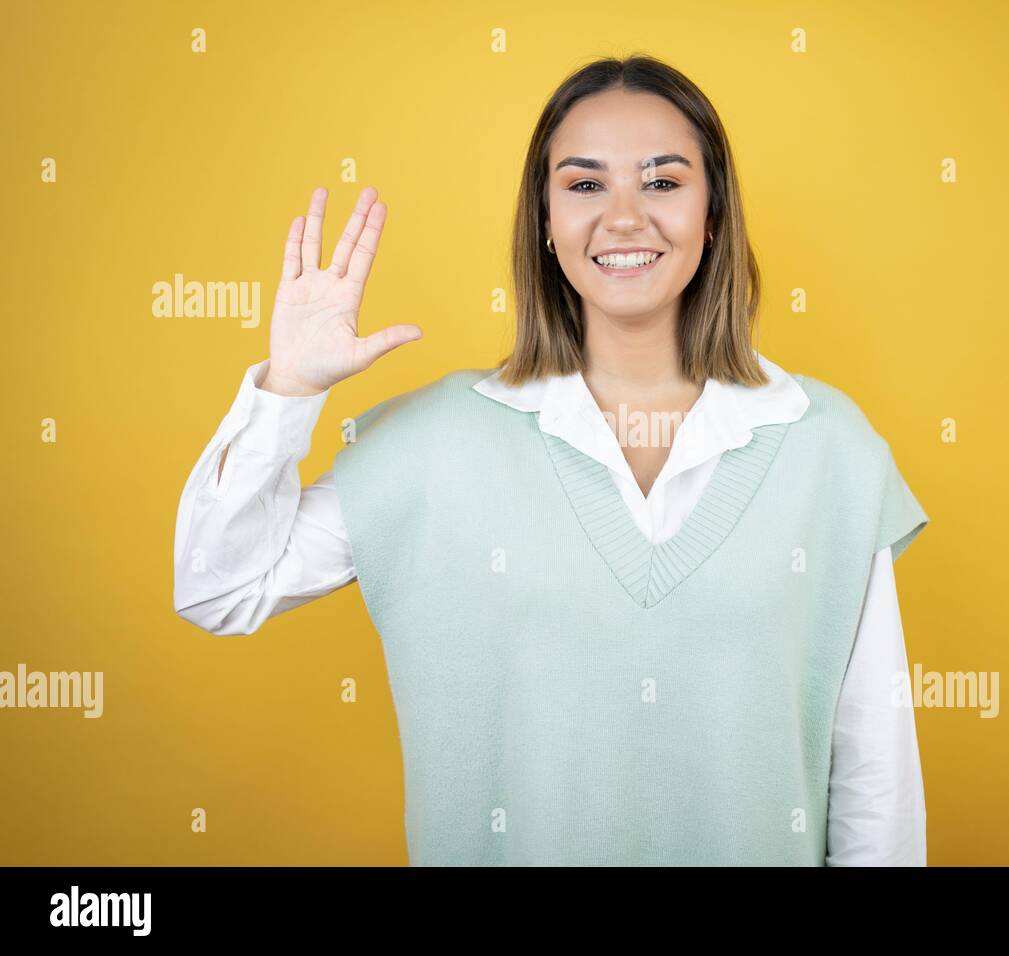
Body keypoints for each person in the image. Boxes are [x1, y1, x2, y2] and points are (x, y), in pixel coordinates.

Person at [173, 54, 930, 866]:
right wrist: (285, 391)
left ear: (715, 214)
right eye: (584, 184)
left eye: (664, 182)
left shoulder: (827, 445)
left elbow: (874, 778)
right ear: (544, 218)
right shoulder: (435, 445)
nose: (626, 218)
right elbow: (221, 588)